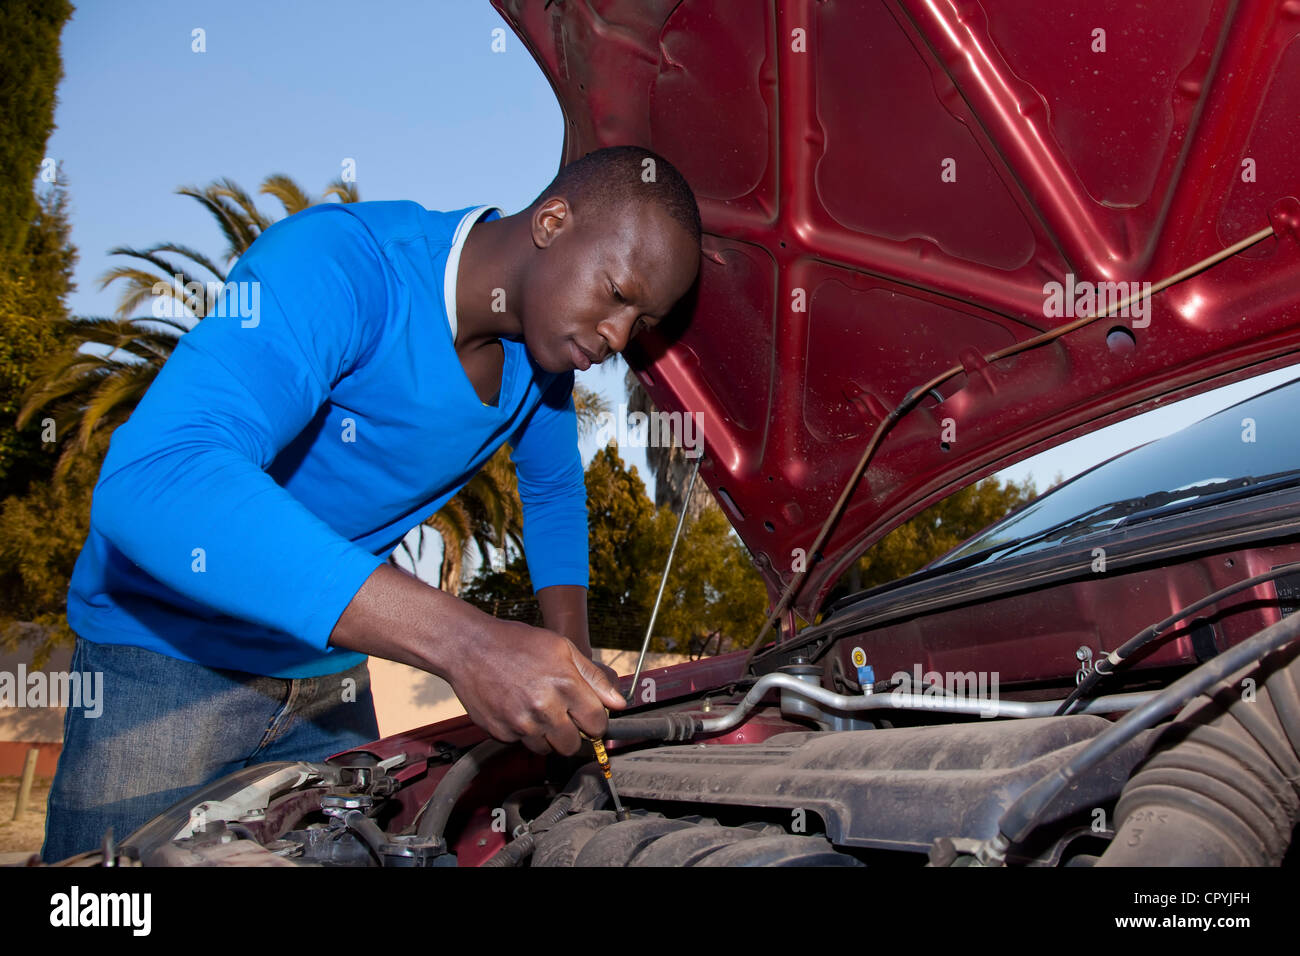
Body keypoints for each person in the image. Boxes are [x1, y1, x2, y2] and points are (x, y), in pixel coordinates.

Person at [41, 145, 702, 861]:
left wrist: (570, 666)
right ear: (551, 221)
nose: (617, 337)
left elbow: (551, 492)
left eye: (641, 321)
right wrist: (466, 641)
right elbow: (156, 477)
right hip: (161, 666)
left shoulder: (539, 366)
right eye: (616, 293)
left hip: (329, 680)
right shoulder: (340, 266)